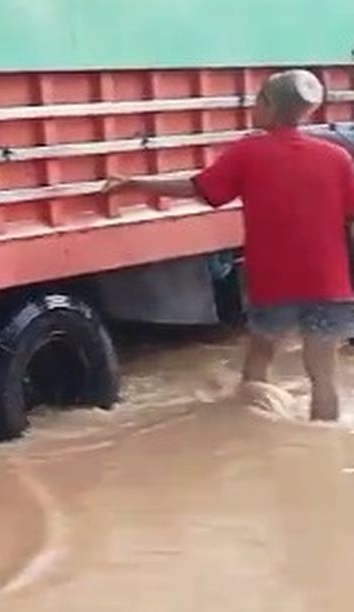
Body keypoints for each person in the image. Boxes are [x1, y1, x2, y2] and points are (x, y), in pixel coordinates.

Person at [107, 69, 354, 421]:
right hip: (330, 285)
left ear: (269, 105)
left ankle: (257, 433)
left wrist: (136, 183)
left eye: (257, 100)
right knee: (323, 376)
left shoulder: (249, 152)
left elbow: (197, 187)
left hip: (274, 284)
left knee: (258, 365)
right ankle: (320, 446)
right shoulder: (338, 158)